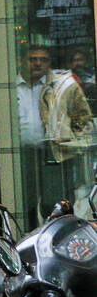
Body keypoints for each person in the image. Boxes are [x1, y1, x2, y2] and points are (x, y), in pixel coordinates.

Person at [17, 43, 94, 223]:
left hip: (55, 154)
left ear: (49, 62)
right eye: (32, 59)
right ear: (21, 61)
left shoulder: (63, 86)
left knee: (56, 205)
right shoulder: (11, 87)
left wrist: (69, 140)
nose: (37, 64)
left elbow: (83, 118)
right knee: (25, 203)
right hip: (23, 153)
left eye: (43, 60)